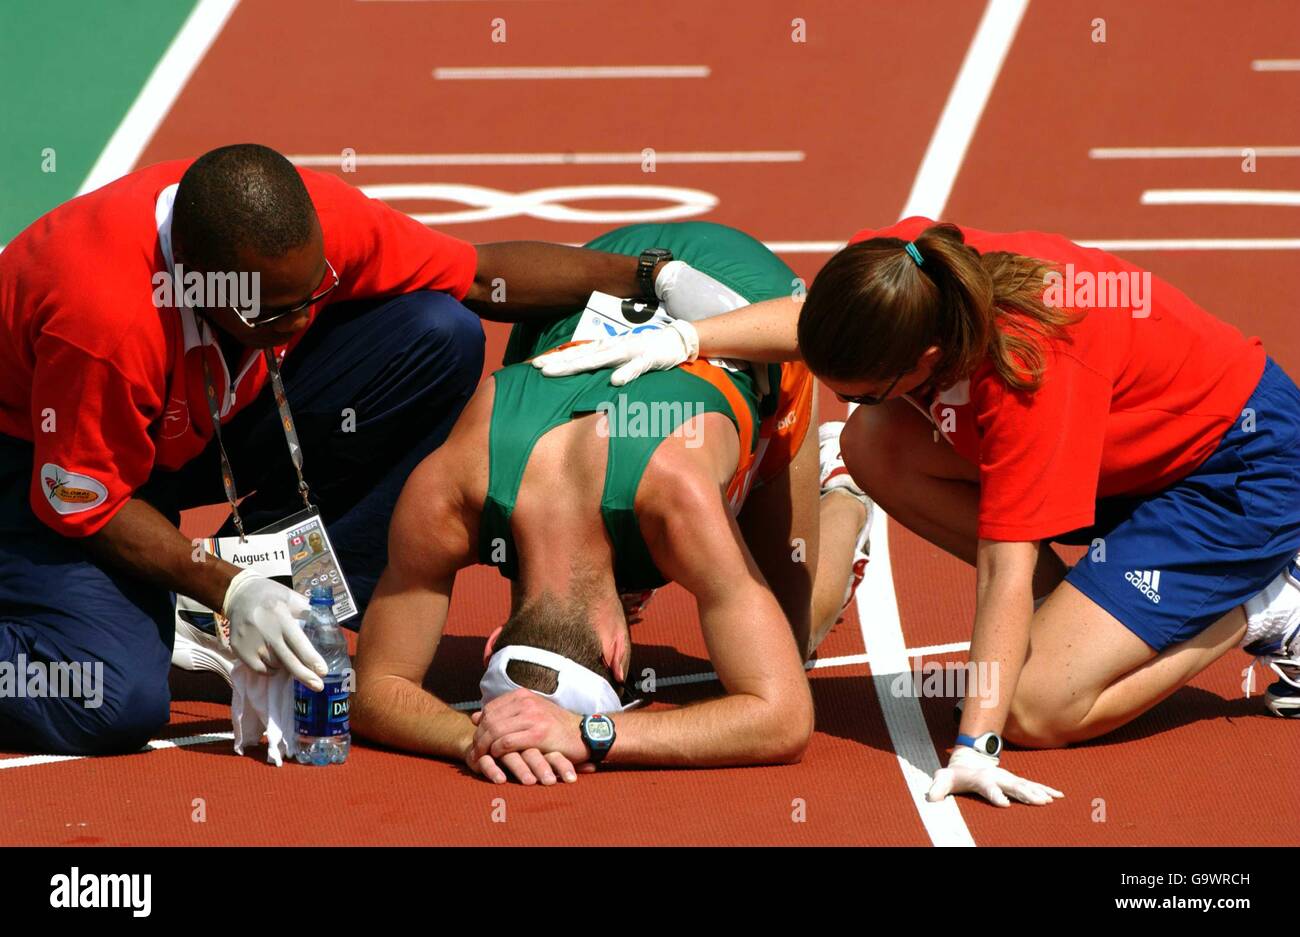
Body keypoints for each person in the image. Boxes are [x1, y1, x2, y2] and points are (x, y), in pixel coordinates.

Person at [535, 216, 1300, 806]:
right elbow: (814, 328)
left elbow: (1003, 569)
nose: (847, 401)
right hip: (1121, 454)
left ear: (929, 359)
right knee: (877, 443)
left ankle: (1263, 604)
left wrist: (977, 741)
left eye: (865, 386)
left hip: (1233, 475)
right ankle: (1082, 616)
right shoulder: (900, 268)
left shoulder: (1029, 376)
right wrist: (685, 338)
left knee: (1035, 709)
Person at [0, 143, 733, 756]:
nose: (303, 319)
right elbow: (83, 503)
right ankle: (228, 595)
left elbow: (478, 275)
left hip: (185, 415)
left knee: (439, 336)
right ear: (196, 278)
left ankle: (242, 597)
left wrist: (653, 278)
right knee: (113, 700)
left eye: (314, 291)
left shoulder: (297, 232)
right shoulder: (102, 318)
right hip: (46, 457)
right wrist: (229, 584)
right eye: (275, 309)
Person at [351, 221, 871, 784]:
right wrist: (474, 735)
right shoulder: (449, 488)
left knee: (791, 641)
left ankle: (844, 493)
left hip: (757, 306)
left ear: (619, 654)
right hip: (601, 273)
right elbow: (372, 692)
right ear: (495, 638)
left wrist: (589, 736)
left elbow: (784, 717)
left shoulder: (678, 498)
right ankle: (619, 548)